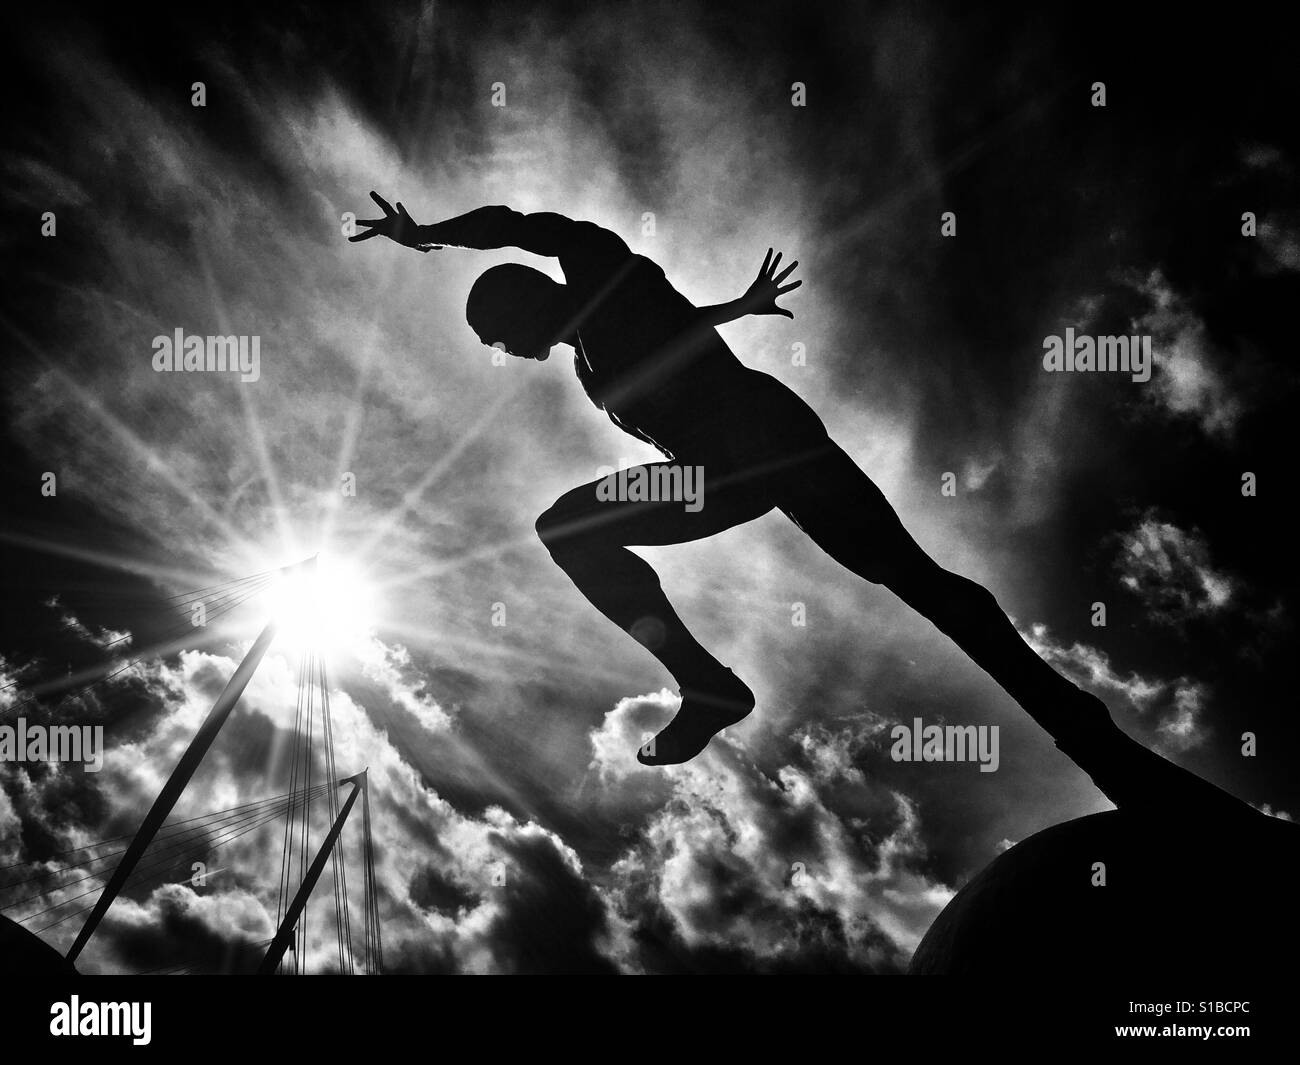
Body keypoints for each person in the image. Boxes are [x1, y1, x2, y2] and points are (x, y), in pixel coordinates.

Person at [351, 192, 1252, 818]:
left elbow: (521, 223)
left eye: (498, 332)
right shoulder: (590, 353)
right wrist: (732, 307)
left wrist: (424, 233)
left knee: (921, 582)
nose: (505, 351)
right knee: (574, 527)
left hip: (761, 442)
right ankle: (707, 684)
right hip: (721, 467)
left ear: (522, 295)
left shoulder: (592, 267)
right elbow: (673, 332)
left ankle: (1094, 743)